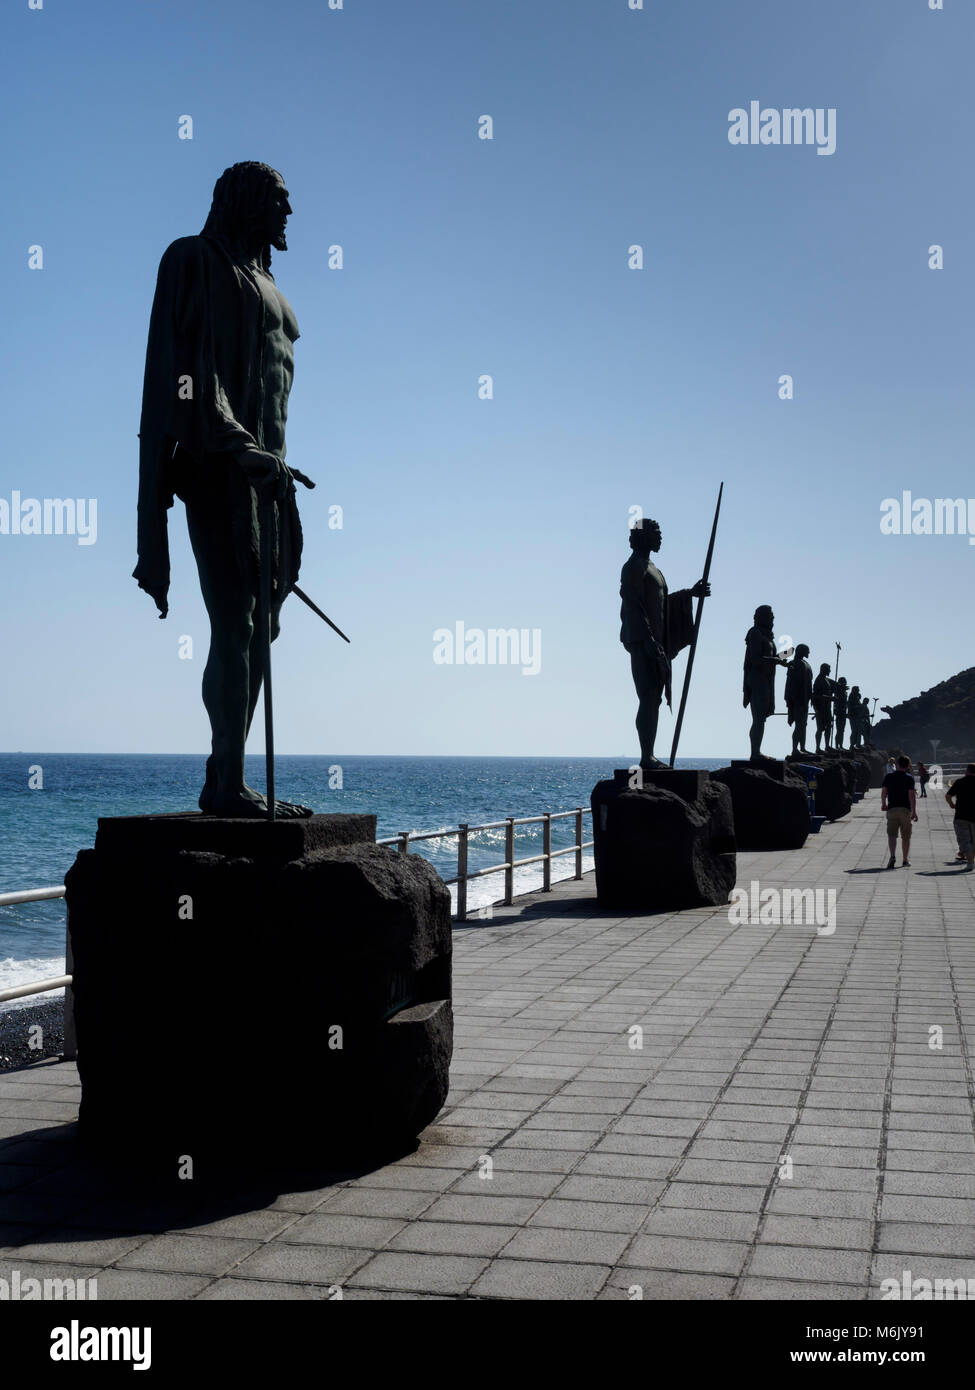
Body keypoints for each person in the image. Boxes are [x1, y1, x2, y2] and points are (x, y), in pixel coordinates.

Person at [134, 162, 313, 818]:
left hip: (270, 477)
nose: (289, 214)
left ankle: (228, 776)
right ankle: (226, 783)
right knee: (234, 623)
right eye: (279, 202)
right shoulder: (196, 259)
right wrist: (239, 446)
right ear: (247, 201)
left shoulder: (268, 281)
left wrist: (271, 462)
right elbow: (188, 375)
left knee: (262, 626)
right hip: (219, 466)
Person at [619, 518, 709, 768]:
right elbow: (633, 606)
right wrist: (647, 640)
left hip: (655, 643)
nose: (660, 538)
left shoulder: (654, 569)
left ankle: (649, 755)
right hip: (642, 641)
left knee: (654, 698)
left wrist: (690, 594)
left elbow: (661, 604)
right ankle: (646, 756)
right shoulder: (634, 567)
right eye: (656, 534)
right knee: (647, 696)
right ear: (643, 536)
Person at [743, 606, 789, 762]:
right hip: (757, 679)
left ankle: (757, 751)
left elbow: (771, 657)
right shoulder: (755, 633)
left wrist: (783, 656)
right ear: (762, 617)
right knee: (758, 718)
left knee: (761, 718)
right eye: (770, 617)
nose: (773, 620)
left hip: (765, 679)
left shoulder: (767, 636)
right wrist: (776, 660)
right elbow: (756, 659)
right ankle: (755, 753)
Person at [881, 754, 918, 869]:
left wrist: (883, 804)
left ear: (896, 764)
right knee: (906, 836)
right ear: (908, 766)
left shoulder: (888, 777)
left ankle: (892, 856)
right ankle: (905, 860)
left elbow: (884, 792)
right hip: (905, 809)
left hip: (892, 809)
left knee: (892, 835)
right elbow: (912, 796)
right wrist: (914, 812)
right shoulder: (909, 778)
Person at [785, 644, 813, 756]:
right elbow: (790, 683)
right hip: (797, 699)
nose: (809, 653)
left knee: (803, 724)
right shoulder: (794, 663)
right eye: (807, 651)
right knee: (799, 725)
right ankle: (795, 749)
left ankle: (802, 747)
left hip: (805, 699)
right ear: (802, 651)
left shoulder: (806, 664)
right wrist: (791, 699)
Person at [946, 764, 975, 871]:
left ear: (967, 771)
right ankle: (971, 860)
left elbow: (948, 796)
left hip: (961, 816)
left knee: (965, 840)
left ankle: (970, 863)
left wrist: (952, 805)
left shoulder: (959, 782)